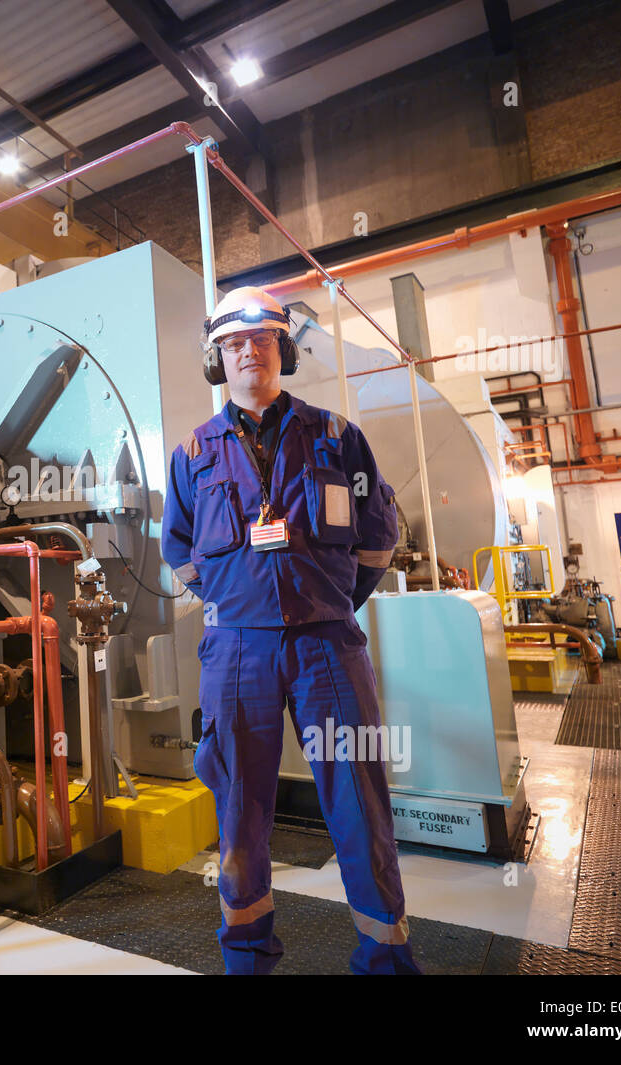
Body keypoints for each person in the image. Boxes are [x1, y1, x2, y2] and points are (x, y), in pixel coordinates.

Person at [161, 286, 420, 975]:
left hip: (327, 643)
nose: (250, 351)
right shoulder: (193, 453)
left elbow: (377, 536)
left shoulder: (336, 437)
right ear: (218, 356)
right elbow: (179, 552)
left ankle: (386, 959)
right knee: (240, 805)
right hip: (236, 651)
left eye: (264, 339)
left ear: (283, 348)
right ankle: (247, 958)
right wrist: (237, 599)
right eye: (235, 343)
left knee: (358, 802)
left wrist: (329, 600)